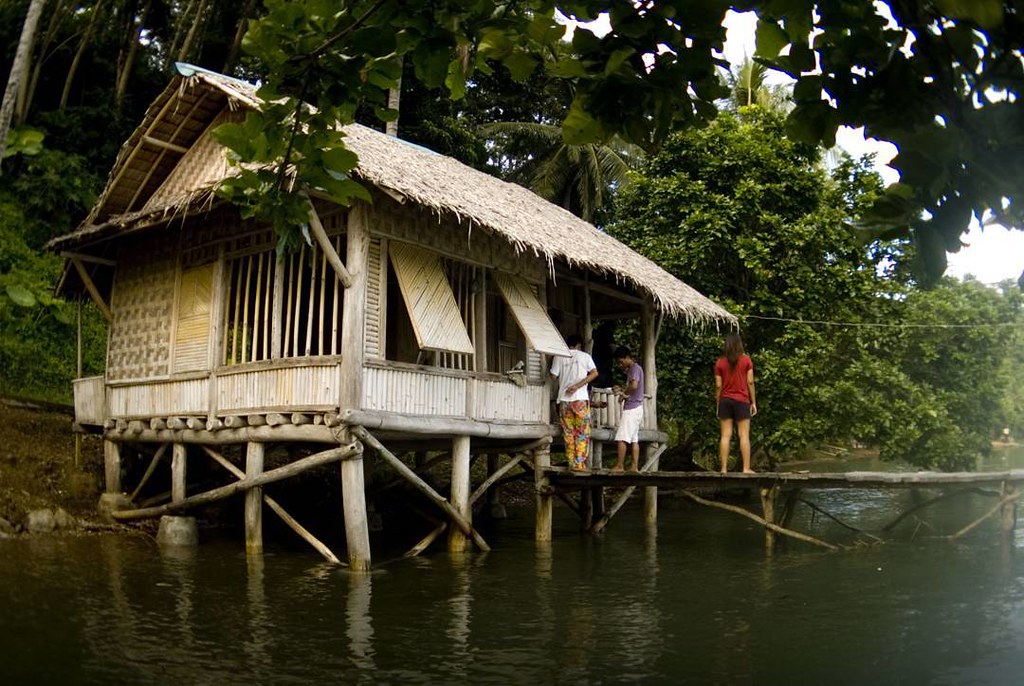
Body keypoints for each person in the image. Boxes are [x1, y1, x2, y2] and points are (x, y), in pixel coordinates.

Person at [550, 334, 599, 471]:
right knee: (582, 432)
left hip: (564, 401)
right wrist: (578, 385)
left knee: (569, 433)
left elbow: (553, 376)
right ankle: (579, 464)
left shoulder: (558, 356)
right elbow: (594, 373)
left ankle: (571, 463)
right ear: (579, 345)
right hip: (580, 400)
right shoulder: (585, 356)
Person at [715, 332, 757, 473]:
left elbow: (718, 385)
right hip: (742, 400)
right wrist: (753, 402)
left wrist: (718, 403)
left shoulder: (720, 362)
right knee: (744, 435)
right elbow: (750, 381)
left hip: (725, 401)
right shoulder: (746, 360)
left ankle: (724, 468)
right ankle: (746, 468)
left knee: (725, 435)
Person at [611, 346, 644, 472]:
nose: (620, 364)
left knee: (622, 437)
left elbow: (634, 385)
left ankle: (620, 465)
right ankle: (634, 466)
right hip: (637, 407)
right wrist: (623, 392)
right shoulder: (633, 369)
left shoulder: (634, 368)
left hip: (632, 407)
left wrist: (625, 394)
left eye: (621, 361)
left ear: (627, 357)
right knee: (634, 439)